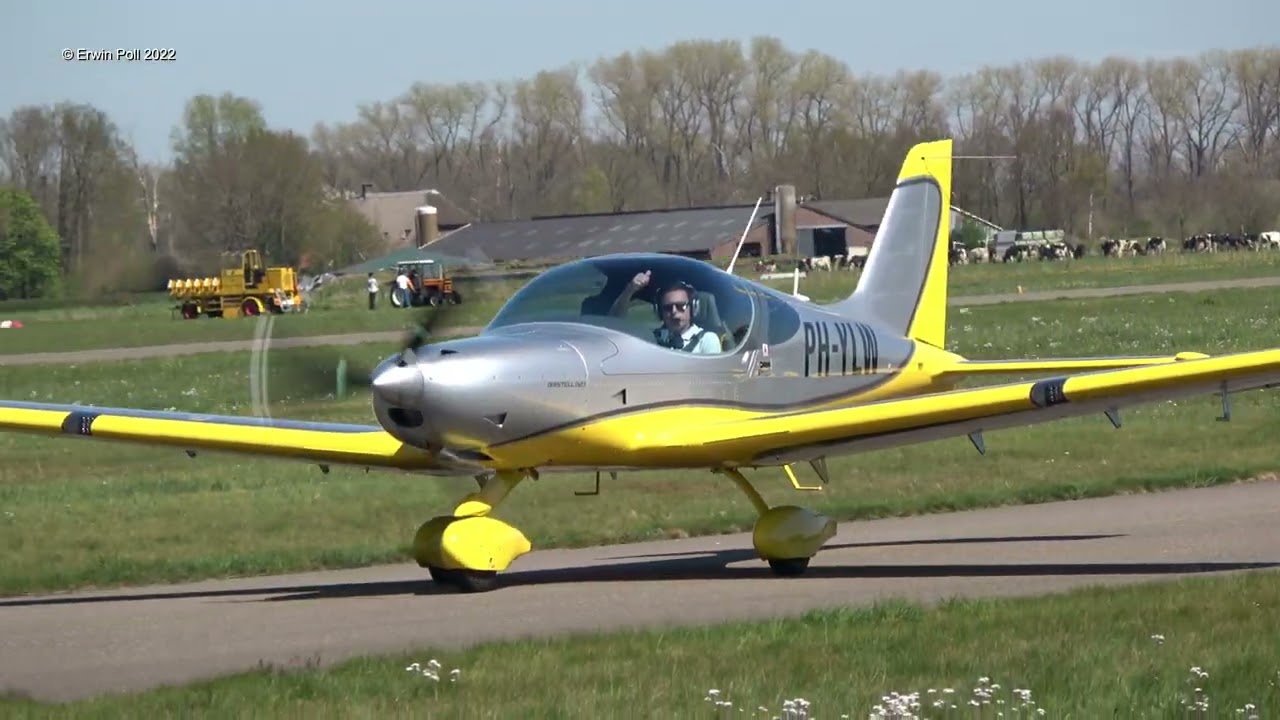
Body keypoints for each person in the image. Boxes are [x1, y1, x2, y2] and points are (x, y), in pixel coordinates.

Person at [611, 271, 721, 354]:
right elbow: (613, 325)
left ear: (693, 308)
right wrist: (630, 289)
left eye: (680, 306)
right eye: (667, 308)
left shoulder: (706, 340)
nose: (674, 312)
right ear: (660, 312)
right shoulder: (652, 338)